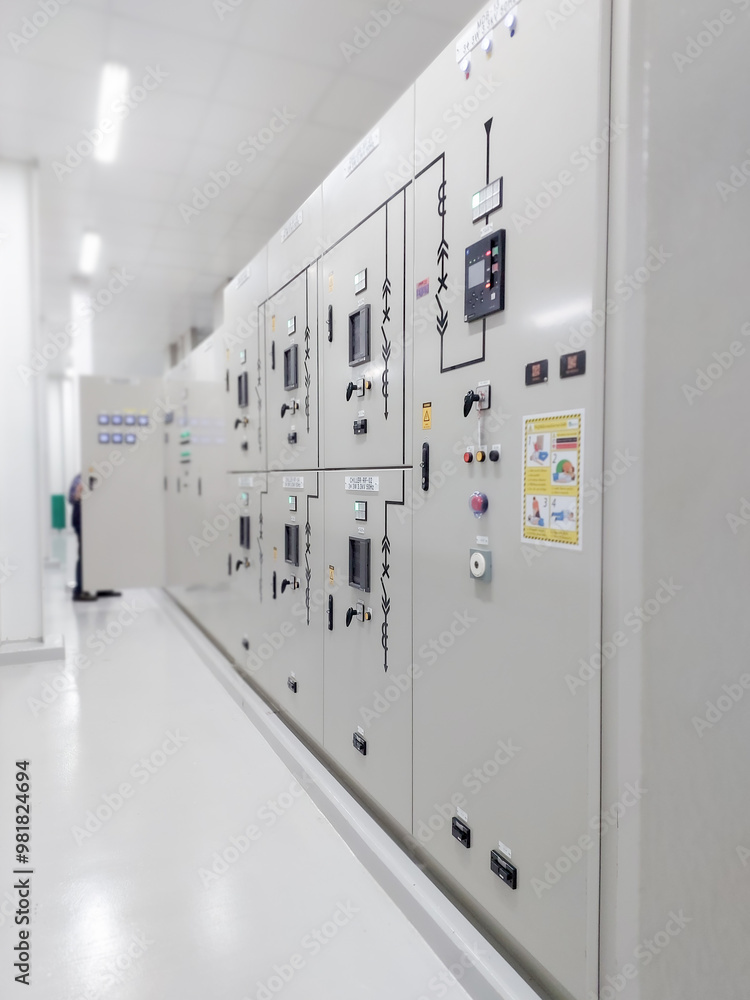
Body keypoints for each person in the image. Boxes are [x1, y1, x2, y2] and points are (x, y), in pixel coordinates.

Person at [68, 474, 97, 602]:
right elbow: (72, 498)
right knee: (83, 556)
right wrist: (79, 493)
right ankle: (79, 590)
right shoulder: (79, 479)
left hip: (92, 522)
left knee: (98, 554)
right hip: (81, 522)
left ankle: (102, 586)